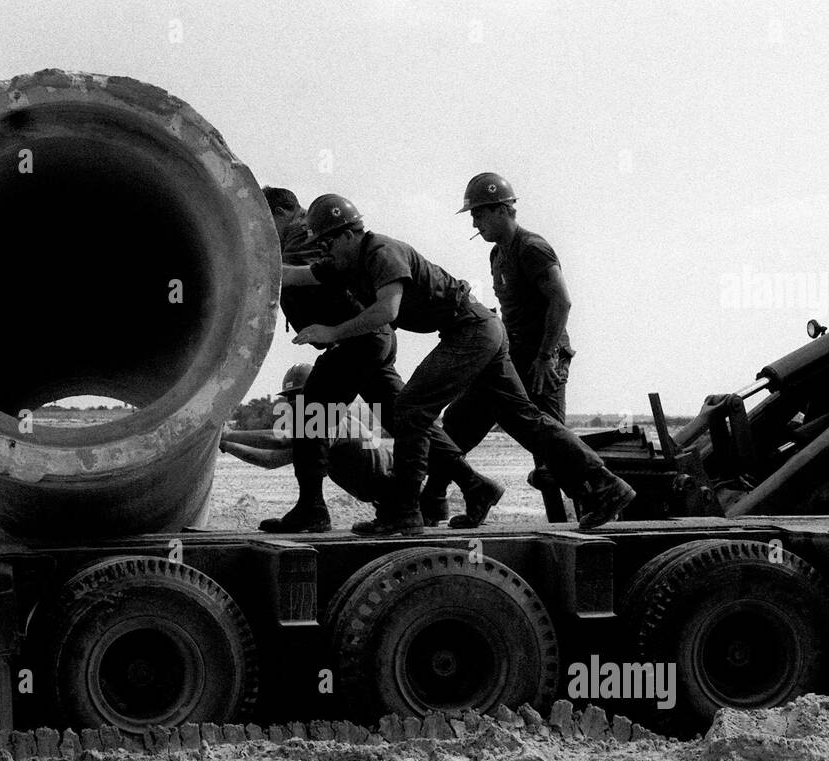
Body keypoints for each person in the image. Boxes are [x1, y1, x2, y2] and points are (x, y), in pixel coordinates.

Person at [286, 193, 636, 535]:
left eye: (328, 244)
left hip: (471, 329)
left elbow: (386, 311)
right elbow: (300, 275)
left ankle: (406, 511)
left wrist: (333, 332)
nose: (324, 252)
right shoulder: (346, 261)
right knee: (522, 418)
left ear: (348, 233)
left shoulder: (381, 251)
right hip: (481, 329)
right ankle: (605, 484)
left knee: (411, 408)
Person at [259, 186, 499, 533]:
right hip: (373, 339)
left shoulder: (303, 236)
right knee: (403, 417)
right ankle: (474, 484)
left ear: (281, 212)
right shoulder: (317, 240)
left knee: (309, 411)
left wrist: (333, 331)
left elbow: (313, 273)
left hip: (358, 340)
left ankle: (311, 508)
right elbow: (302, 276)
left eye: (265, 219)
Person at [426, 172, 575, 518]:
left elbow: (561, 301)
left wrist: (545, 357)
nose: (476, 224)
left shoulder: (531, 248)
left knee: (550, 448)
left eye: (479, 214)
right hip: (513, 355)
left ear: (501, 210)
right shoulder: (498, 255)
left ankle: (582, 511)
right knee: (461, 420)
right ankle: (435, 500)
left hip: (543, 360)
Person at [221, 364, 392, 508]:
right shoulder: (317, 435)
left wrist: (229, 434)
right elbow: (271, 459)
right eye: (290, 397)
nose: (293, 402)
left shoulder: (333, 420)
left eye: (298, 395)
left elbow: (280, 440)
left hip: (409, 495)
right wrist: (226, 444)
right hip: (391, 501)